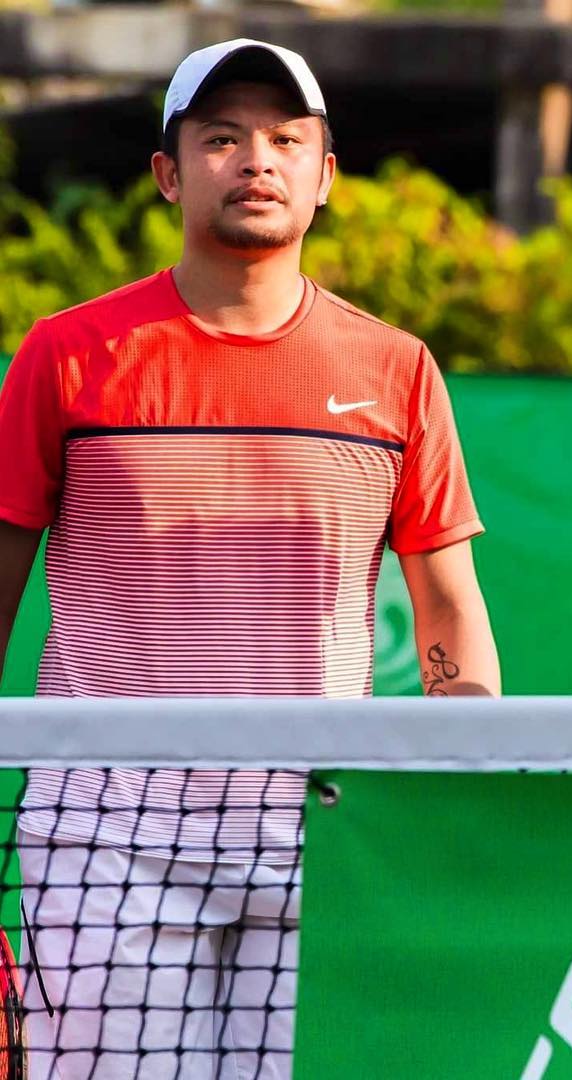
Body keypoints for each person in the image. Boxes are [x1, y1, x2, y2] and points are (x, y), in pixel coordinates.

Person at [0, 38, 499, 1078]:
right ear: (170, 174)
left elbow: (448, 609)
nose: (256, 160)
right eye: (222, 137)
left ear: (325, 176)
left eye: (285, 138)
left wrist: (464, 786)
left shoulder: (397, 371)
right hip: (104, 842)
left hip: (323, 838)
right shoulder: (62, 355)